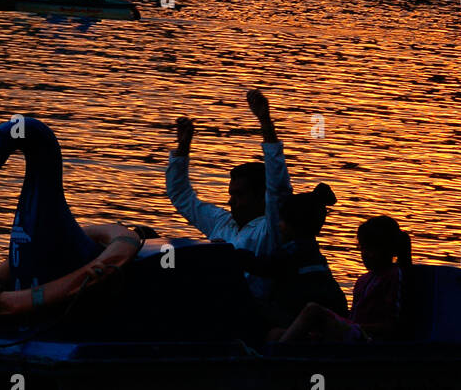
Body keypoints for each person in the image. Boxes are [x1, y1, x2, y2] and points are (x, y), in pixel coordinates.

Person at [165, 90, 292, 296]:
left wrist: (265, 122)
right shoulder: (221, 222)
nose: (232, 202)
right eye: (231, 194)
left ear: (261, 197)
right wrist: (183, 149)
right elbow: (181, 195)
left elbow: (278, 187)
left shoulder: (269, 230)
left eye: (240, 195)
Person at [278, 215, 411, 343]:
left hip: (370, 338)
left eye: (371, 249)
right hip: (355, 331)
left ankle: (275, 357)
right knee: (275, 333)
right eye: (363, 248)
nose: (365, 254)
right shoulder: (363, 280)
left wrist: (349, 326)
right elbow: (353, 316)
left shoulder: (395, 276)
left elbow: (394, 325)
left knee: (313, 310)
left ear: (390, 249)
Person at [236, 184, 348, 332]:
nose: (279, 225)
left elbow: (265, 266)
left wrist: (235, 254)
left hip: (300, 314)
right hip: (326, 309)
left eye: (282, 221)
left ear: (295, 224)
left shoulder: (294, 250)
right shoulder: (311, 249)